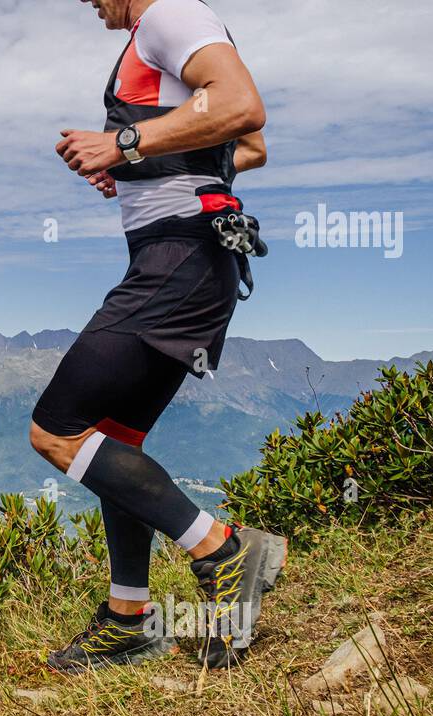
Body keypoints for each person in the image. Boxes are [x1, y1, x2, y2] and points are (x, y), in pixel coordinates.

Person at [31, 0, 281, 672]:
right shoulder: (156, 38)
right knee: (115, 434)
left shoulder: (171, 14)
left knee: (57, 430)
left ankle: (222, 550)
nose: (88, 2)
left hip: (182, 258)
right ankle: (129, 617)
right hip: (184, 257)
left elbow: (243, 107)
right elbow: (244, 149)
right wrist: (136, 164)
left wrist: (124, 144)